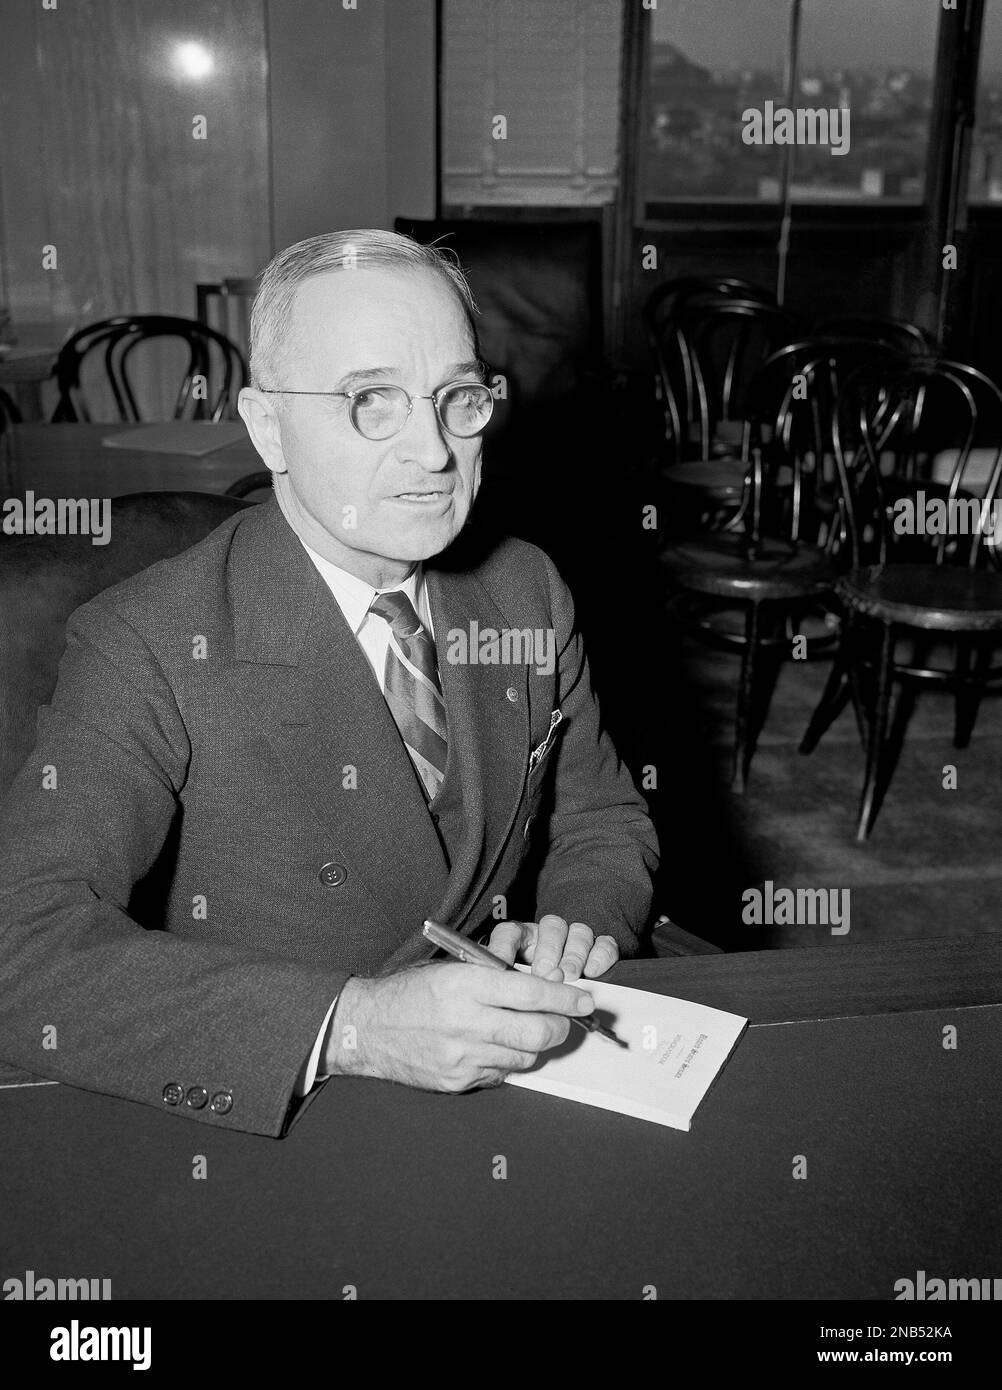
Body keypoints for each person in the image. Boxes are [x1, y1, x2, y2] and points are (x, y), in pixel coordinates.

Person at [0, 230, 658, 1136]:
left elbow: (602, 820)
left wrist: (573, 929)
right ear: (268, 426)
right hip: (281, 1101)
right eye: (371, 403)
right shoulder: (144, 644)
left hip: (515, 1082)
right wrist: (351, 1027)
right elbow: (22, 946)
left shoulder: (524, 590)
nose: (433, 451)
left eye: (456, 397)